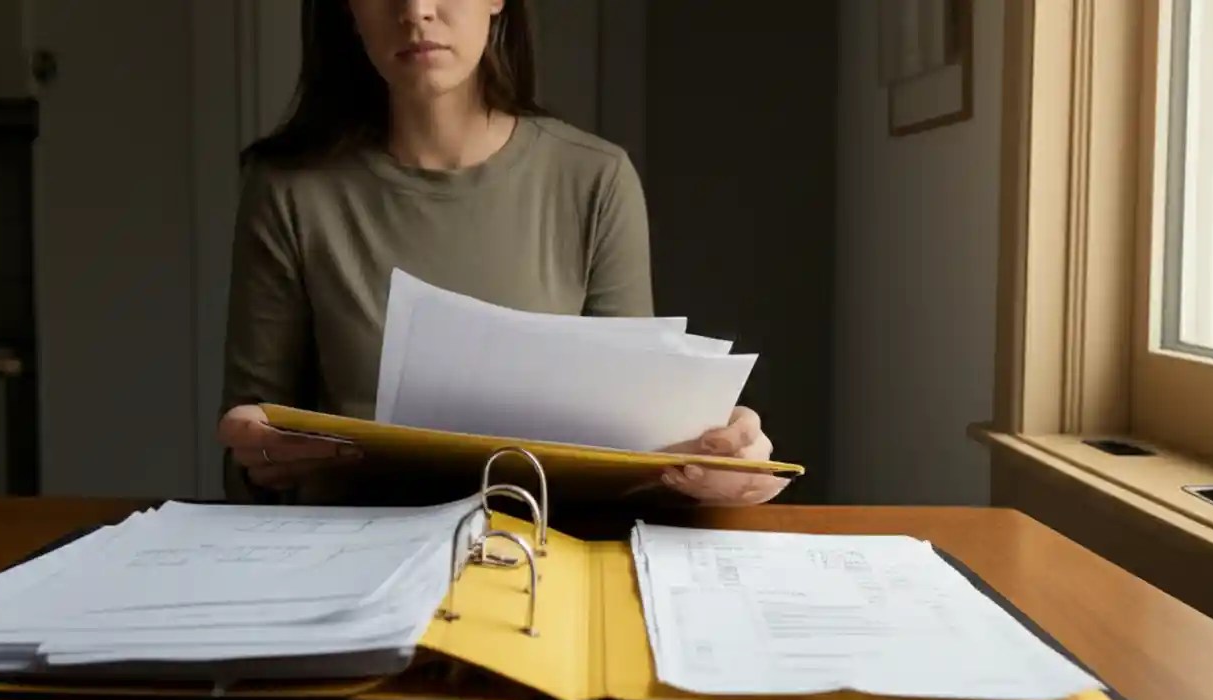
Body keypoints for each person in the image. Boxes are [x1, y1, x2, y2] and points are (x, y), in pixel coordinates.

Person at [216, 0, 788, 507]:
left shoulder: (594, 180)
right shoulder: (288, 190)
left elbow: (628, 451)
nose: (415, 9)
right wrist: (262, 458)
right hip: (348, 558)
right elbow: (247, 452)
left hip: (544, 557)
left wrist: (711, 461)